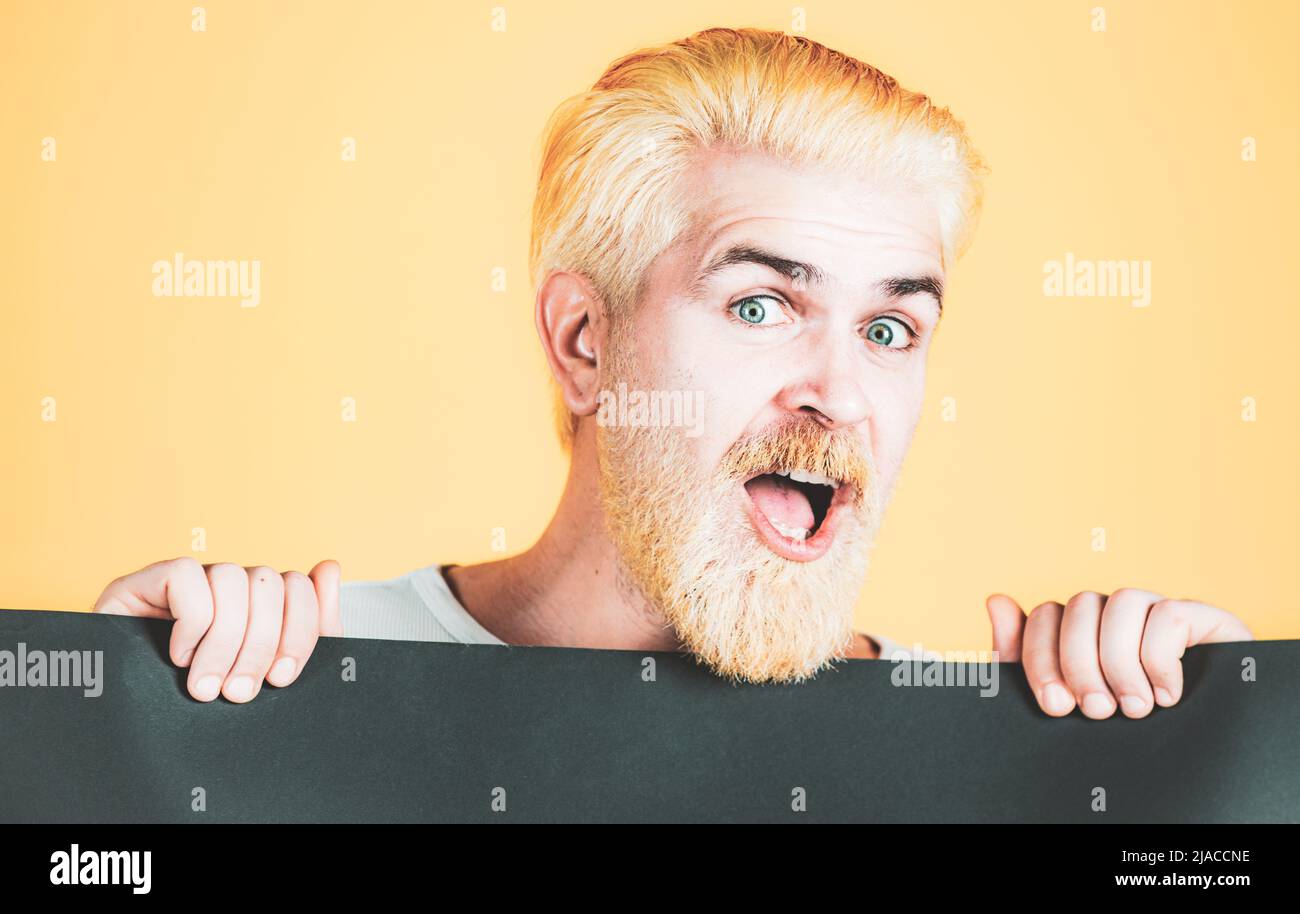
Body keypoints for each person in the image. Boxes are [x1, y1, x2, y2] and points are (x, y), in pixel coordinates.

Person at [92, 28, 1253, 719]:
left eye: (890, 330)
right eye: (761, 303)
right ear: (585, 343)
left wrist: (1214, 759)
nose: (836, 394)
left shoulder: (997, 741)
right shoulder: (300, 686)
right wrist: (115, 723)